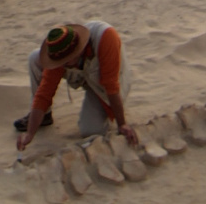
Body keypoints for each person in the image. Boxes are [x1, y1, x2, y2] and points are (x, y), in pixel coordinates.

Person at [17, 22, 135, 156]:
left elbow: (112, 86)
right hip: (85, 74)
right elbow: (44, 94)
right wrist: (30, 134)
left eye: (65, 62)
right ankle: (44, 117)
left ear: (76, 52)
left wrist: (122, 124)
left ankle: (103, 110)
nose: (61, 66)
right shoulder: (60, 53)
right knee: (34, 58)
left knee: (90, 130)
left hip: (112, 79)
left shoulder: (106, 38)